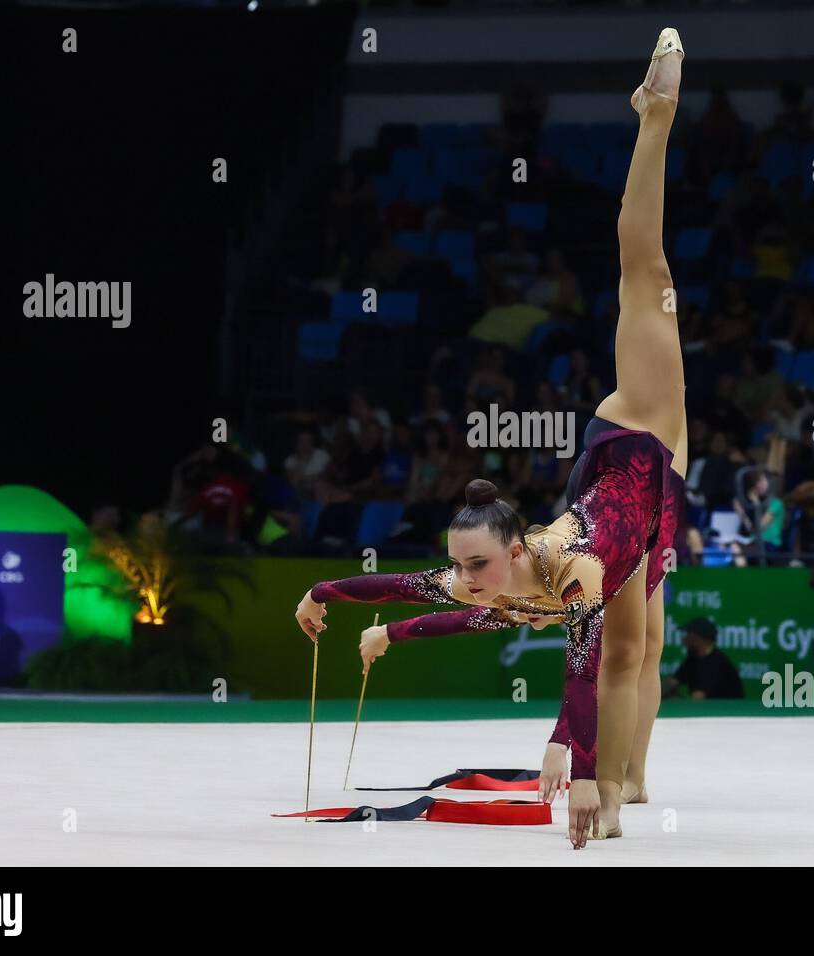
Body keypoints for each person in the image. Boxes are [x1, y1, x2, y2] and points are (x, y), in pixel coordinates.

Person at [296, 28, 690, 850]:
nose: (464, 581)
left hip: (639, 439)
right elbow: (418, 593)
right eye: (466, 569)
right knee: (637, 646)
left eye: (475, 567)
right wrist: (333, 598)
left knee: (644, 273)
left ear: (512, 552)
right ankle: (623, 784)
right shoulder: (498, 585)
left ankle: (655, 115)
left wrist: (568, 756)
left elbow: (572, 665)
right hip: (643, 516)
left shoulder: (566, 569)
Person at [665, 617, 742, 699]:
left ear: (698, 639)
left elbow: (697, 697)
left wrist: (675, 699)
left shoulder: (716, 662)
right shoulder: (692, 659)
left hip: (728, 711)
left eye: (688, 634)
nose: (683, 639)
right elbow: (671, 683)